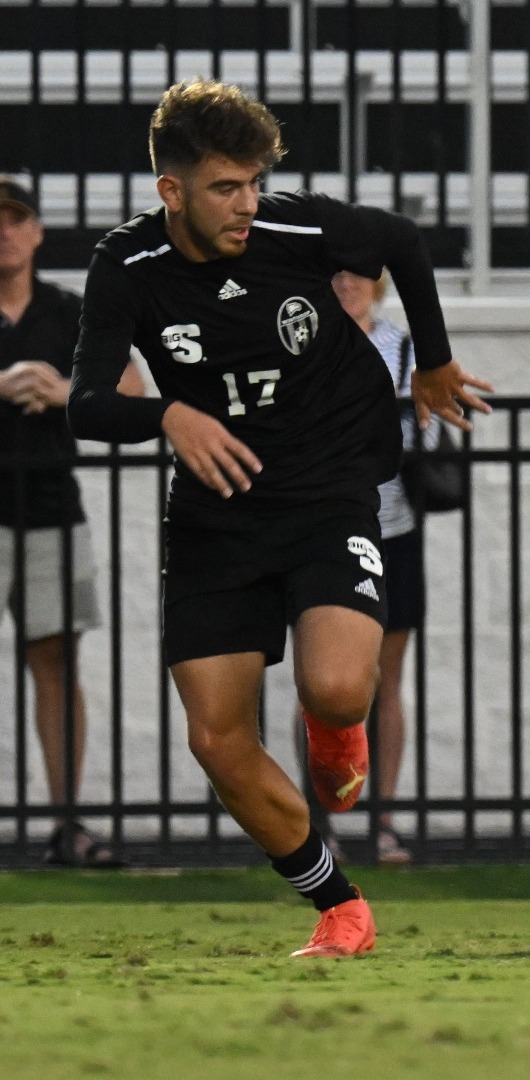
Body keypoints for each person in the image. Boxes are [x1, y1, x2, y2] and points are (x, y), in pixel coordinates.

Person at [66, 80, 491, 955]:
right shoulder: (127, 266)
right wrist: (168, 418)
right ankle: (341, 906)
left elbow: (401, 242)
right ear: (171, 191)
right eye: (227, 187)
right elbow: (85, 405)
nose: (248, 204)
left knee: (336, 686)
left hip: (328, 483)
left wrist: (434, 363)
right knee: (218, 740)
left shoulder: (295, 227)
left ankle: (336, 727)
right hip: (216, 519)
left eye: (256, 182)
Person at [0, 176, 146, 867]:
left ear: (36, 232)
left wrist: (65, 391)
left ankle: (66, 821)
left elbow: (132, 388)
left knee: (55, 663)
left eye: (15, 219)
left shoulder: (66, 311)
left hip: (52, 508)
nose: (4, 231)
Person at [297, 270, 425, 867]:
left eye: (361, 275)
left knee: (386, 680)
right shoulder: (304, 337)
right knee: (322, 684)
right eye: (337, 273)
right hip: (323, 532)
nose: (348, 284)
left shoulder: (403, 347)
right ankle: (321, 820)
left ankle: (383, 817)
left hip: (391, 529)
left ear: (379, 284)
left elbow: (421, 425)